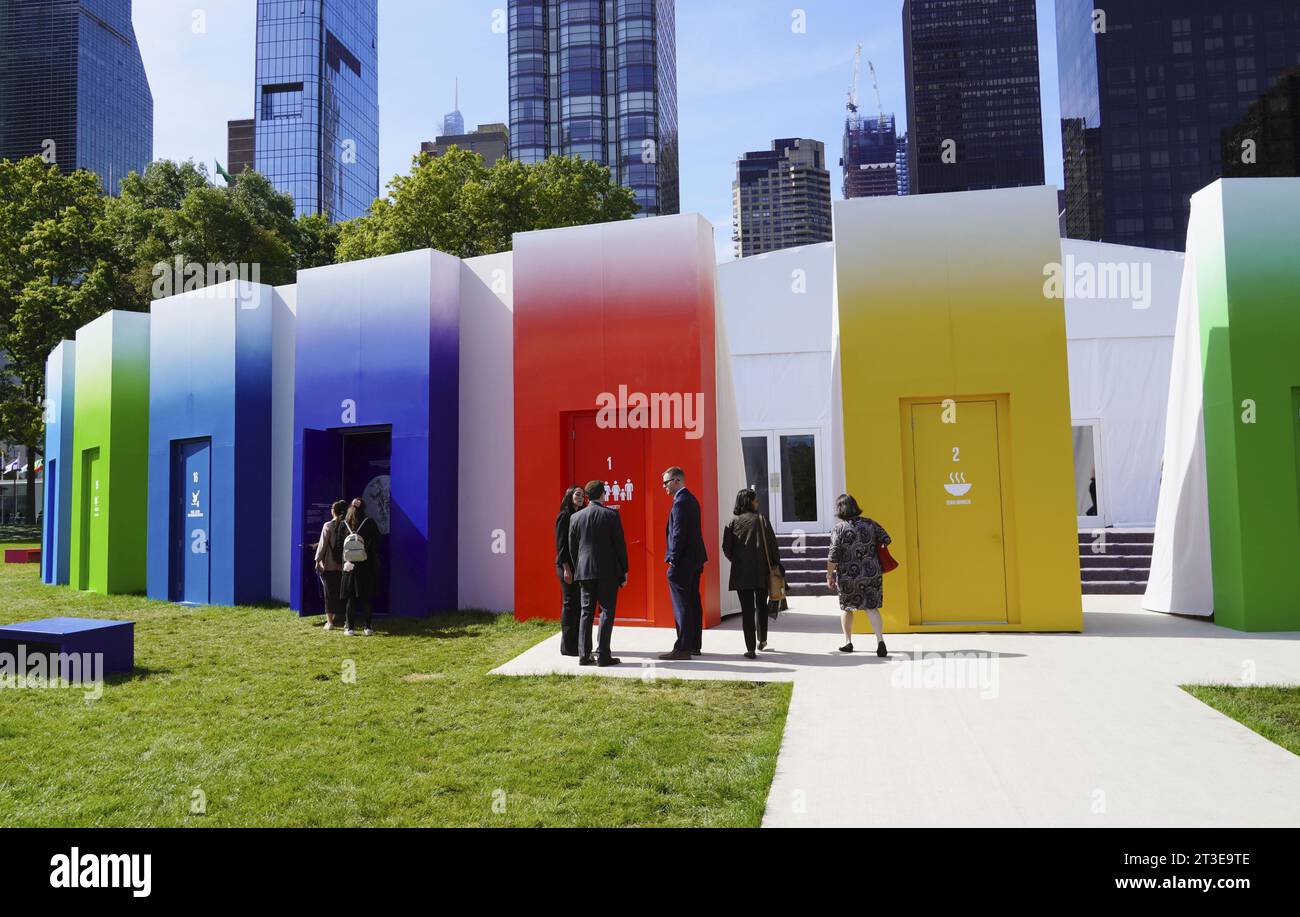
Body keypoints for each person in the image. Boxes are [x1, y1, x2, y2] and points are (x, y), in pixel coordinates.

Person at [567, 479, 628, 666]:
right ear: (602, 494)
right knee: (606, 612)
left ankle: (584, 655)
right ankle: (603, 655)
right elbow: (620, 546)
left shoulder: (576, 517)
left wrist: (579, 567)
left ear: (587, 496)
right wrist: (624, 570)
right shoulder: (611, 515)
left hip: (584, 571)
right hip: (607, 571)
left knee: (586, 612)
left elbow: (572, 548)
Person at [827, 493, 891, 657]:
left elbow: (833, 555)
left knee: (847, 608)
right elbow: (886, 539)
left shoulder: (839, 529)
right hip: (871, 572)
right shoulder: (870, 523)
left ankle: (848, 642)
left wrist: (829, 575)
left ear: (840, 509)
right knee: (871, 608)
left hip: (848, 574)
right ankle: (880, 641)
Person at [721, 488, 783, 658]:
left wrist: (737, 560)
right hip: (761, 571)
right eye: (755, 500)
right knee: (761, 605)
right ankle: (762, 639)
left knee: (747, 610)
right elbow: (772, 546)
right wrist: (777, 565)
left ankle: (750, 648)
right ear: (749, 501)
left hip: (741, 572)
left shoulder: (731, 522)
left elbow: (726, 548)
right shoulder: (761, 520)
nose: (758, 502)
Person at [659, 465, 708, 661]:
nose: (664, 486)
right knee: (693, 602)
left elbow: (678, 534)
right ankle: (694, 644)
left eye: (666, 482)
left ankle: (683, 647)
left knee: (682, 605)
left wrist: (673, 559)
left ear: (677, 481)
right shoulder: (691, 499)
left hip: (683, 562)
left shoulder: (680, 502)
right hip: (694, 560)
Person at [339, 498, 381, 637]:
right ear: (364, 508)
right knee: (366, 598)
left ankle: (350, 628)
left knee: (350, 599)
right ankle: (367, 627)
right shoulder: (369, 522)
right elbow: (377, 541)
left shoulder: (343, 524)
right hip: (365, 566)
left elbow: (338, 546)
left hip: (349, 567)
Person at [555, 485, 586, 656]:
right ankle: (568, 647)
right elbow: (561, 546)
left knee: (578, 605)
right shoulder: (564, 516)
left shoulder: (579, 515)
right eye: (577, 494)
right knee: (569, 605)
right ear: (570, 496)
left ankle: (577, 644)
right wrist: (566, 569)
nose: (580, 497)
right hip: (566, 567)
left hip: (578, 566)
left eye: (582, 495)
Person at [314, 500, 349, 630]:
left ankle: (330, 623)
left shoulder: (328, 526)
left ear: (333, 511)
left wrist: (317, 560)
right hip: (345, 565)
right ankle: (346, 620)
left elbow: (322, 545)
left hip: (329, 565)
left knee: (329, 594)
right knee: (344, 594)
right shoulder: (348, 526)